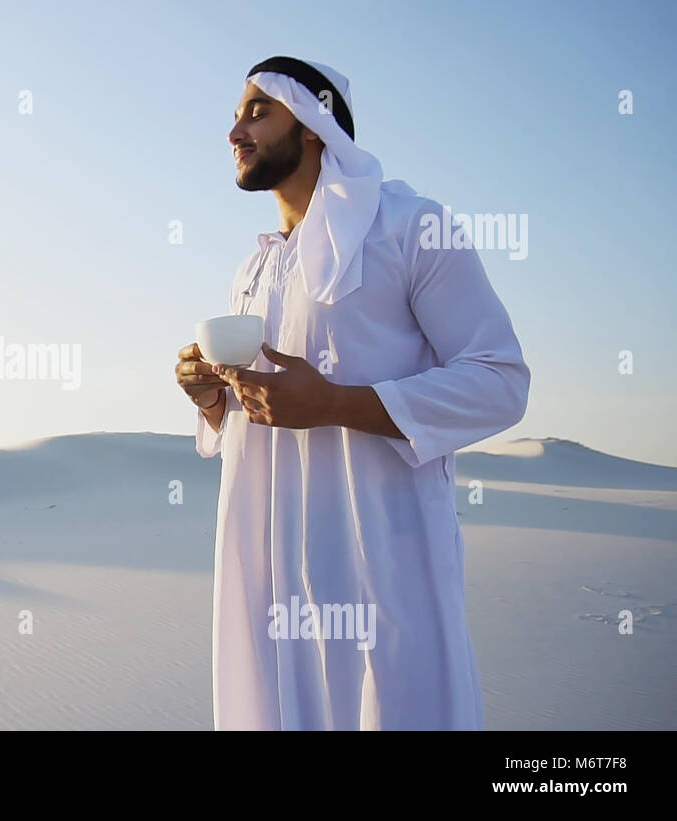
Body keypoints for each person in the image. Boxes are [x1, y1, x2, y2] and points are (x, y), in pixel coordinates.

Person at [174, 56, 530, 730]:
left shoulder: (410, 227)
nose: (234, 131)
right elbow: (267, 409)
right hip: (273, 585)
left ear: (314, 124)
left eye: (257, 110)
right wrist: (212, 401)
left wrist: (337, 403)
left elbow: (500, 380)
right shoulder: (255, 267)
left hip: (381, 577)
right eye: (234, 114)